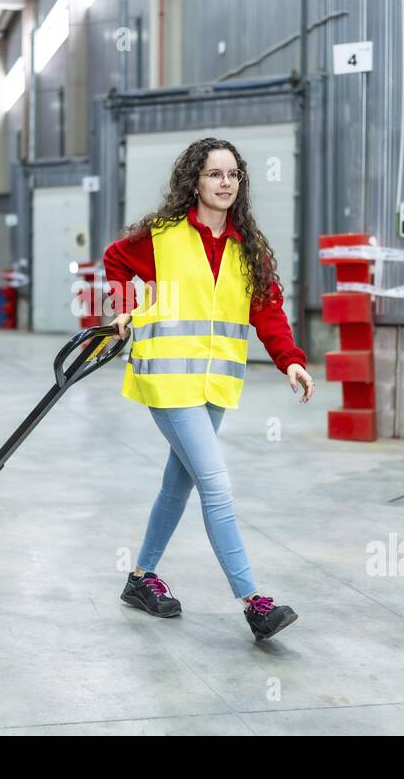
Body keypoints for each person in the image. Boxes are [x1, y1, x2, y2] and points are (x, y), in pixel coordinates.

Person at [103, 136, 315, 641]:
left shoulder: (247, 248)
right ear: (194, 181)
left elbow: (267, 310)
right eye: (214, 174)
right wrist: (121, 306)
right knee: (216, 486)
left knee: (179, 483)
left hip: (216, 384)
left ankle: (140, 578)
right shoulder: (164, 235)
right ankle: (254, 602)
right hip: (166, 380)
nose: (225, 183)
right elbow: (115, 259)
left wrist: (290, 360)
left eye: (233, 175)